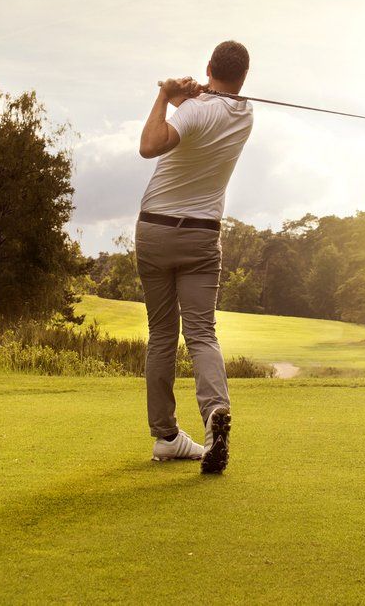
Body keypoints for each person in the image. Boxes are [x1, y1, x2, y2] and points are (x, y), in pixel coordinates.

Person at [135, 40, 253, 474]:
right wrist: (189, 95)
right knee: (202, 333)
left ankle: (166, 437)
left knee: (163, 335)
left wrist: (165, 96)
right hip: (202, 236)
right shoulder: (245, 115)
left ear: (208, 67)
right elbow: (208, 108)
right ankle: (214, 412)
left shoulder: (193, 110)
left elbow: (150, 146)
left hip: (155, 229)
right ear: (244, 78)